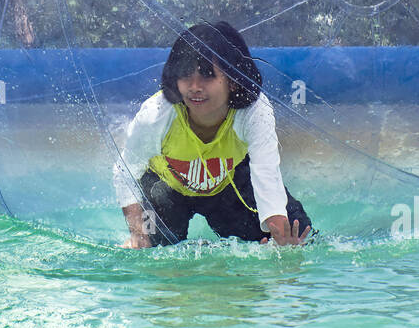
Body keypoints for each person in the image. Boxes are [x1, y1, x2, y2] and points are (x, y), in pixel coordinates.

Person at [115, 21, 313, 248]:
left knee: (300, 235)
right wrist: (138, 233)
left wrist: (279, 230)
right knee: (151, 251)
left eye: (207, 75)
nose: (194, 86)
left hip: (228, 185)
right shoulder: (157, 114)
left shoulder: (254, 111)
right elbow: (124, 172)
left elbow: (266, 173)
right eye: (185, 75)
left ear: (234, 80)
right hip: (165, 189)